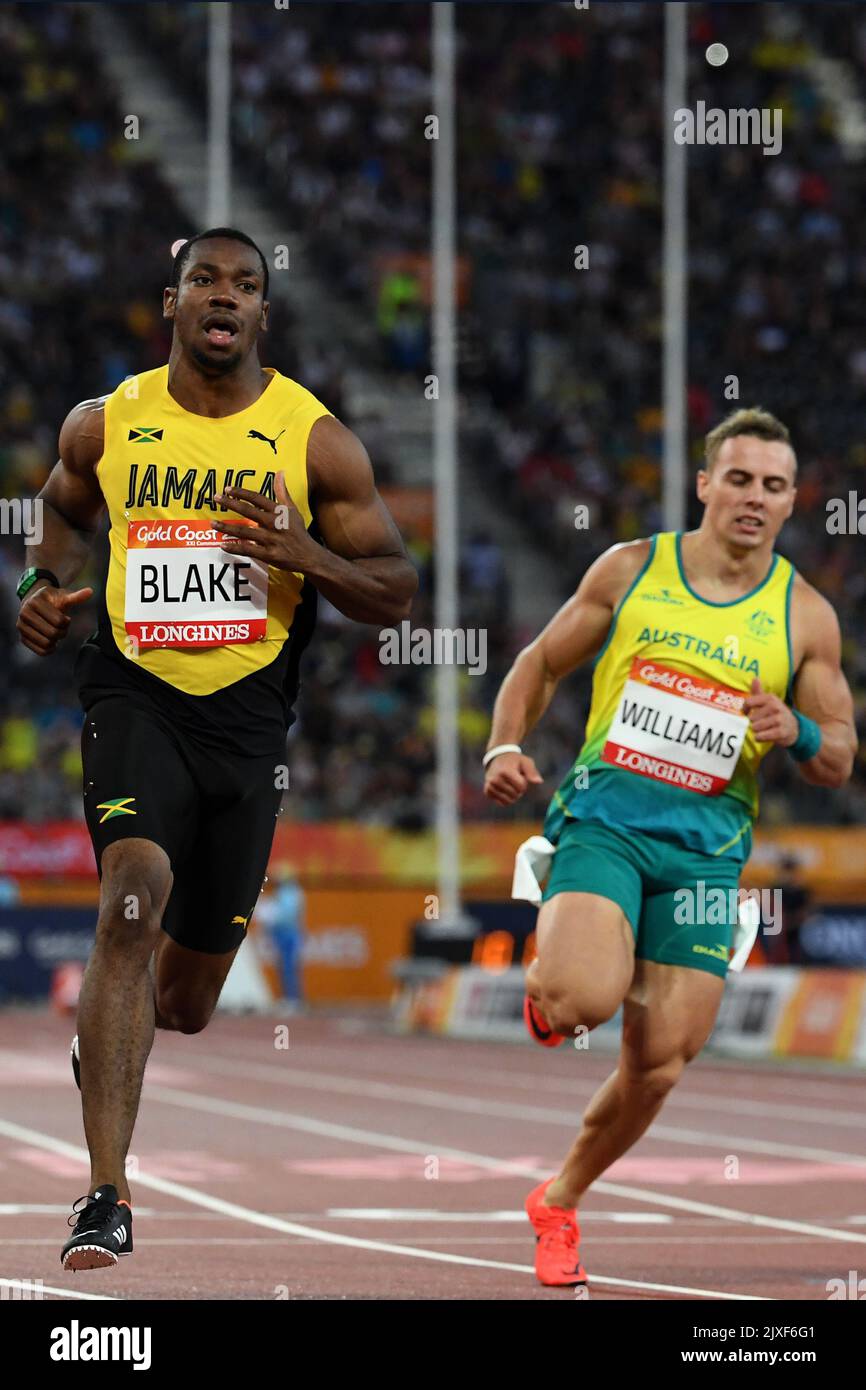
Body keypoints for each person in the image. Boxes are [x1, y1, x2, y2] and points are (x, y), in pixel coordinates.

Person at [15, 227, 417, 1271]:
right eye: (206, 279)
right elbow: (57, 516)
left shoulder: (314, 439)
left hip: (246, 725)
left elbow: (395, 588)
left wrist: (302, 552)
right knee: (130, 895)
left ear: (263, 316)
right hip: (133, 692)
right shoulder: (108, 424)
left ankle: (112, 1033)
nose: (224, 295)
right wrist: (37, 590)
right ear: (174, 301)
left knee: (185, 1001)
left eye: (246, 283)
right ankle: (106, 1191)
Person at [483, 407, 856, 1288]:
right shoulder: (632, 569)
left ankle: (560, 1200)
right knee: (581, 1002)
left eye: (772, 485)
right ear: (704, 484)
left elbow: (839, 754)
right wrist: (504, 743)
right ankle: (558, 968)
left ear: (791, 500)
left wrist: (795, 727)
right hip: (608, 822)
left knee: (661, 1063)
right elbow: (539, 661)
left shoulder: (805, 616)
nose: (753, 498)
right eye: (738, 479)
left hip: (704, 855)